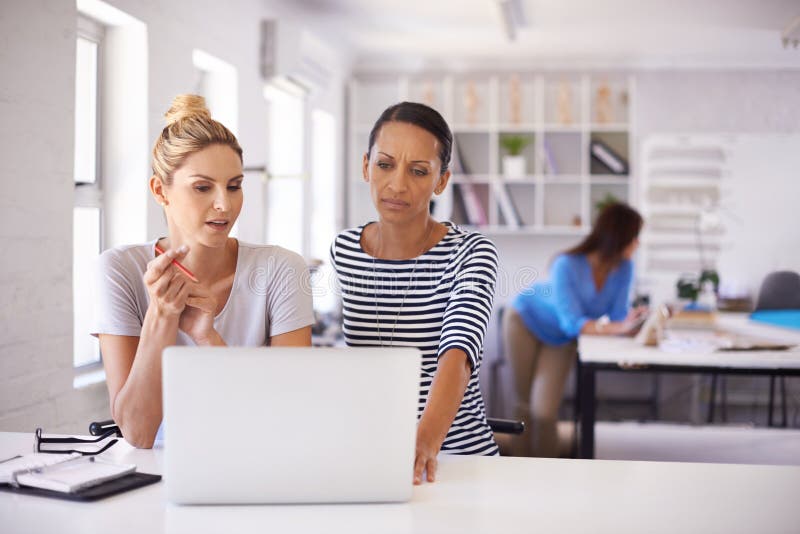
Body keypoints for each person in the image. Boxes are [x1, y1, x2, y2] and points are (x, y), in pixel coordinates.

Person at [92, 95, 314, 448]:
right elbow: (137, 432)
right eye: (202, 187)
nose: (224, 205)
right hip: (157, 478)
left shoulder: (281, 269)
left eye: (234, 186)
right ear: (159, 191)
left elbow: (287, 415)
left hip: (262, 466)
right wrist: (162, 316)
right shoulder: (119, 270)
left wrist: (207, 337)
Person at [330, 101, 499, 485]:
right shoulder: (344, 250)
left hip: (455, 460)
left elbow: (457, 354)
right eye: (385, 165)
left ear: (441, 180)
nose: (397, 185)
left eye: (419, 171)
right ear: (365, 166)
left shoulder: (471, 252)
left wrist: (422, 445)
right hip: (375, 458)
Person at [504, 203, 647, 457]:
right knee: (524, 403)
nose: (637, 243)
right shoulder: (566, 264)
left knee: (545, 411)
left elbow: (615, 316)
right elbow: (573, 321)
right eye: (635, 237)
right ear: (618, 237)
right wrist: (619, 327)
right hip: (524, 320)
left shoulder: (624, 269)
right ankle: (519, 466)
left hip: (562, 337)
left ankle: (547, 473)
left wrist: (630, 322)